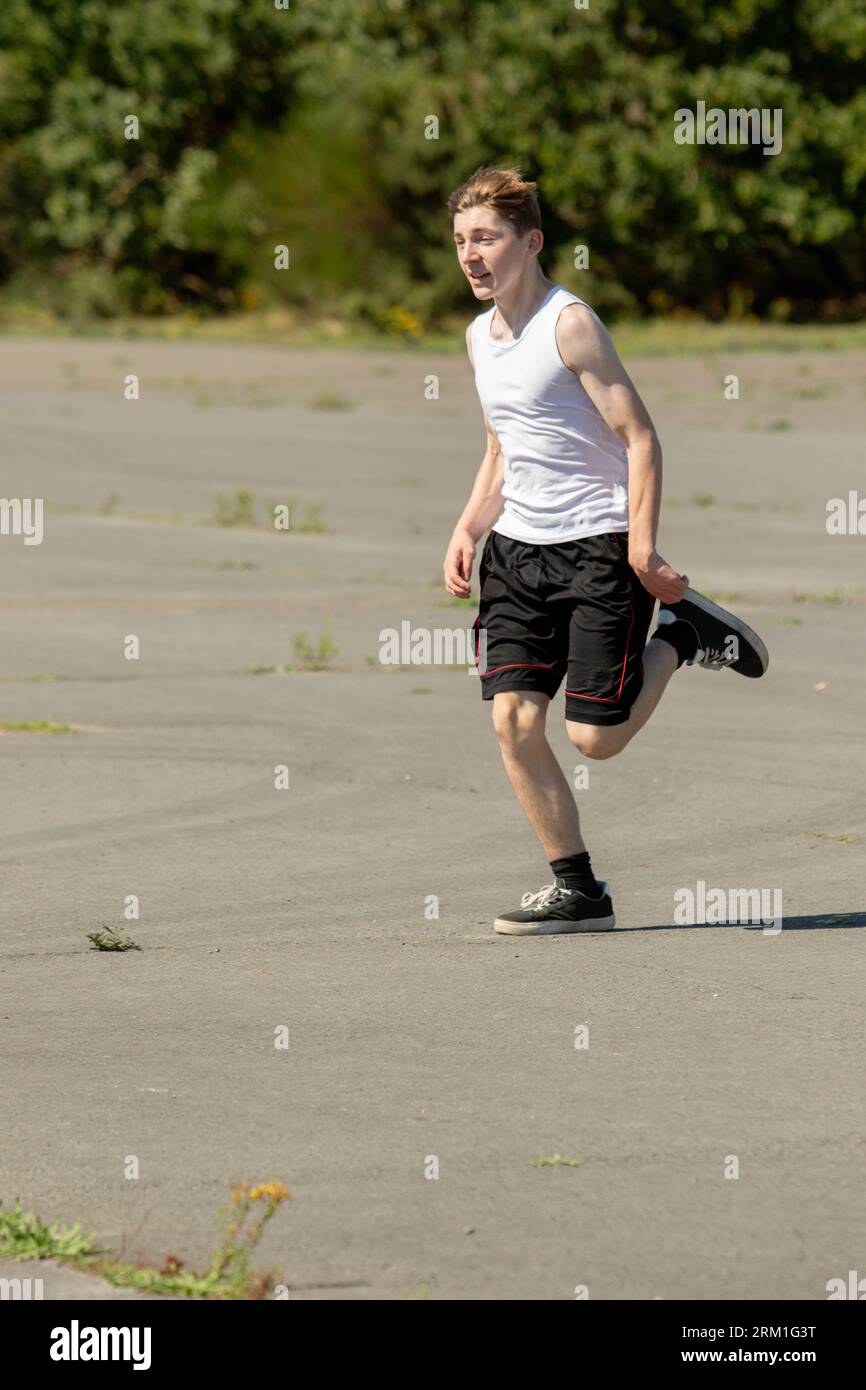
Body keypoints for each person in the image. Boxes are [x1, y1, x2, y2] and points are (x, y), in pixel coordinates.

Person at [443, 166, 768, 936]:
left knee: (596, 737)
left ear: (531, 241)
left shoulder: (570, 325)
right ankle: (578, 889)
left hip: (596, 547)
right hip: (517, 556)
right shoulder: (477, 338)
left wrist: (644, 550)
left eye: (486, 238)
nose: (471, 255)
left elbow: (640, 437)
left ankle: (685, 635)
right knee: (514, 723)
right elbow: (502, 446)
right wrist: (468, 525)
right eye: (460, 241)